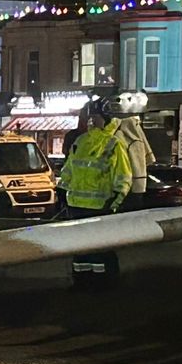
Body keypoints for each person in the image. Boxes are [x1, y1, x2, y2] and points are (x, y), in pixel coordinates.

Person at [57, 98, 132, 289]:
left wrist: (116, 201)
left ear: (105, 119)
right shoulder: (80, 141)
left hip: (99, 207)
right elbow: (69, 170)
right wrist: (61, 192)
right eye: (89, 116)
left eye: (95, 117)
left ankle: (102, 285)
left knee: (98, 250)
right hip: (76, 206)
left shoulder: (113, 144)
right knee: (80, 250)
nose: (91, 120)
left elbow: (123, 176)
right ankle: (82, 282)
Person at [110, 93, 155, 211]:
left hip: (124, 186)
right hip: (138, 186)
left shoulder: (117, 137)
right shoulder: (137, 137)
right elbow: (149, 159)